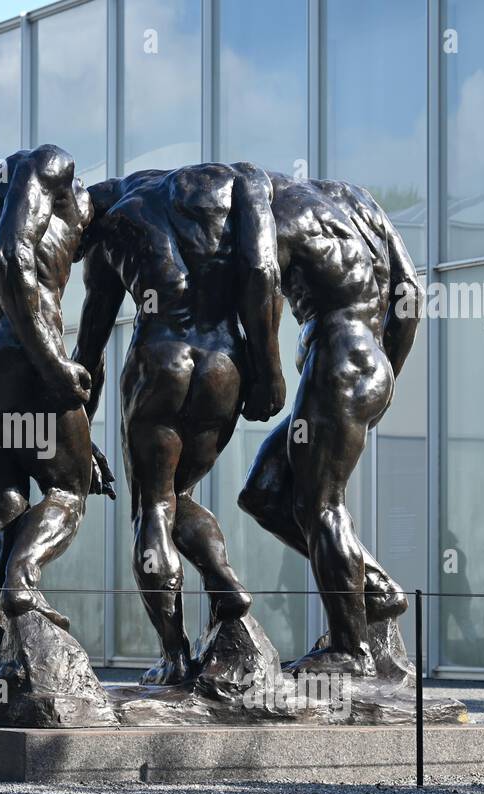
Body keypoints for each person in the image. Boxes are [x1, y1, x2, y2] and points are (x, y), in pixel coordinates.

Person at [72, 162, 285, 684]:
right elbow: (262, 271)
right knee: (179, 494)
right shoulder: (229, 183)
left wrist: (79, 432)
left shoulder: (110, 225)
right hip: (223, 362)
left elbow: (89, 351)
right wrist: (267, 371)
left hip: (159, 360)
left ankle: (173, 656)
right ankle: (221, 576)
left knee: (154, 506)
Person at [238, 172, 422, 674]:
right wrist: (384, 373)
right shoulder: (355, 201)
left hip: (336, 363)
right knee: (263, 490)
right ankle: (375, 588)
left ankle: (350, 648)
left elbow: (258, 278)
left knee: (320, 505)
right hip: (367, 362)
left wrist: (266, 373)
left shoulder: (275, 214)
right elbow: (410, 293)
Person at [0, 145, 113, 665]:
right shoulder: (51, 166)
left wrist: (79, 434)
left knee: (3, 503)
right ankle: (21, 584)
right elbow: (9, 258)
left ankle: (2, 656)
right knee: (69, 491)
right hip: (23, 353)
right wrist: (53, 364)